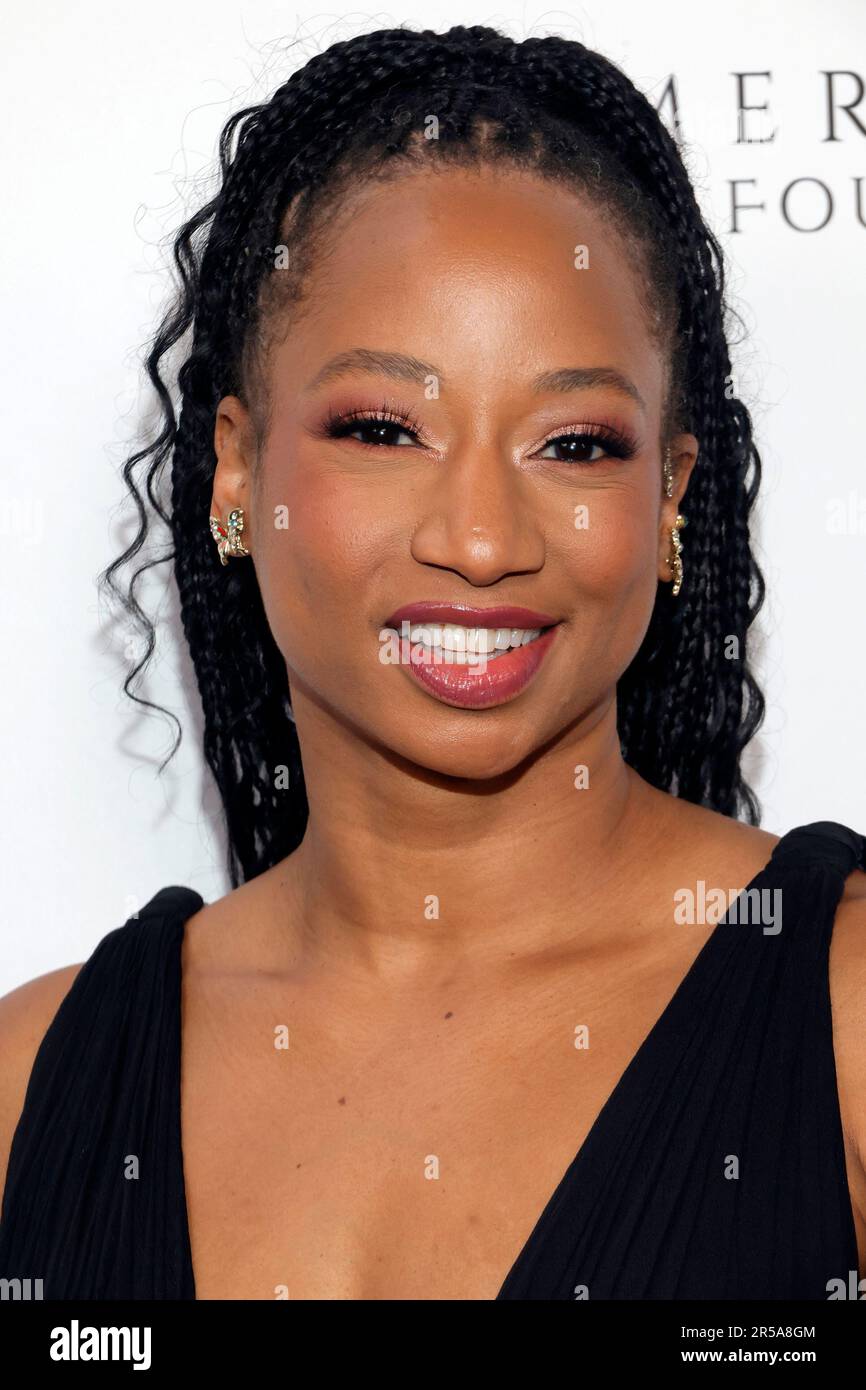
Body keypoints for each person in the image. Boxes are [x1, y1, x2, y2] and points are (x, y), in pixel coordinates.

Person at [1, 23, 864, 1302]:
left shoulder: (841, 1021)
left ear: (673, 494)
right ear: (235, 466)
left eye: (572, 444)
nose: (477, 539)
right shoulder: (33, 1089)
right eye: (383, 427)